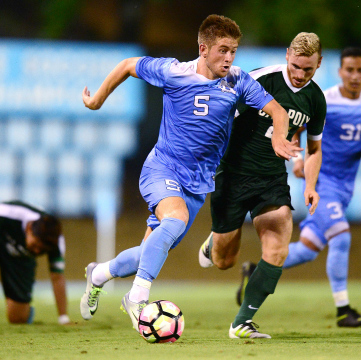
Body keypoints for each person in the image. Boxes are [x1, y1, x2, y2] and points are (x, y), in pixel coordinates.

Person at [79, 14, 301, 333]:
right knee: (175, 219)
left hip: (199, 183)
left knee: (151, 249)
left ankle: (98, 274)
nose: (229, 58)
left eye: (234, 51)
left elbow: (277, 110)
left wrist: (280, 135)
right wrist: (98, 99)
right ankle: (138, 297)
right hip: (163, 167)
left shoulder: (238, 80)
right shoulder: (174, 72)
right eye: (223, 50)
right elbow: (129, 64)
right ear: (203, 48)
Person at [199, 32, 326, 338]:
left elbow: (313, 149)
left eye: (307, 69)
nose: (299, 74)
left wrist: (310, 185)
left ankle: (242, 321)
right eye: (295, 66)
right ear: (286, 55)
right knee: (223, 261)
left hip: (271, 179)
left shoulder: (316, 100)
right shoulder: (261, 79)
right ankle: (214, 241)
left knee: (279, 241)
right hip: (232, 174)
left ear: (319, 64)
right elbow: (220, 104)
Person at [282, 47, 361, 327]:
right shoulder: (325, 100)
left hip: (345, 189)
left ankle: (257, 272)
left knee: (307, 249)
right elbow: (295, 129)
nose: (355, 76)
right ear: (340, 71)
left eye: (360, 71)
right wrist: (299, 157)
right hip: (321, 183)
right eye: (350, 70)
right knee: (341, 236)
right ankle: (343, 310)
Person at [0, 200, 71, 325]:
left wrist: (63, 317)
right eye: (35, 245)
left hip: (20, 262)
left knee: (17, 319)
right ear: (28, 228)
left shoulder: (55, 241)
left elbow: (57, 277)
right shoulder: (7, 213)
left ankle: (25, 311)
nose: (37, 251)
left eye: (42, 250)